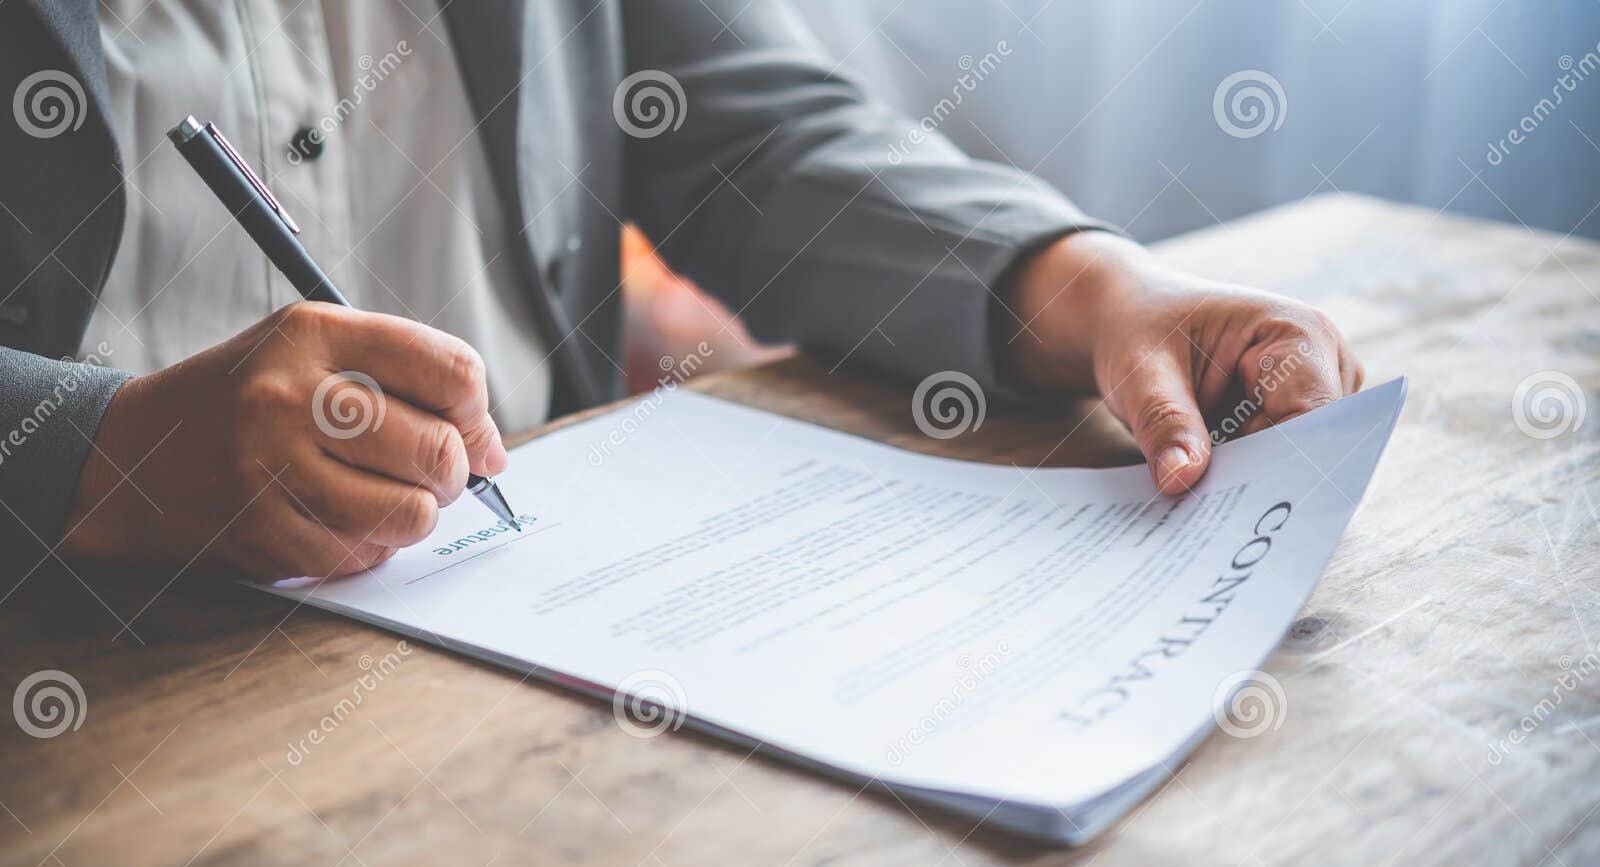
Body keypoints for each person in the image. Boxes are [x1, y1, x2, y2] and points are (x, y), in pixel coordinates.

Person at [0, 0, 1362, 582]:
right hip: (77, 643)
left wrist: (1088, 283)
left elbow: (742, 127)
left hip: (516, 589)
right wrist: (93, 455)